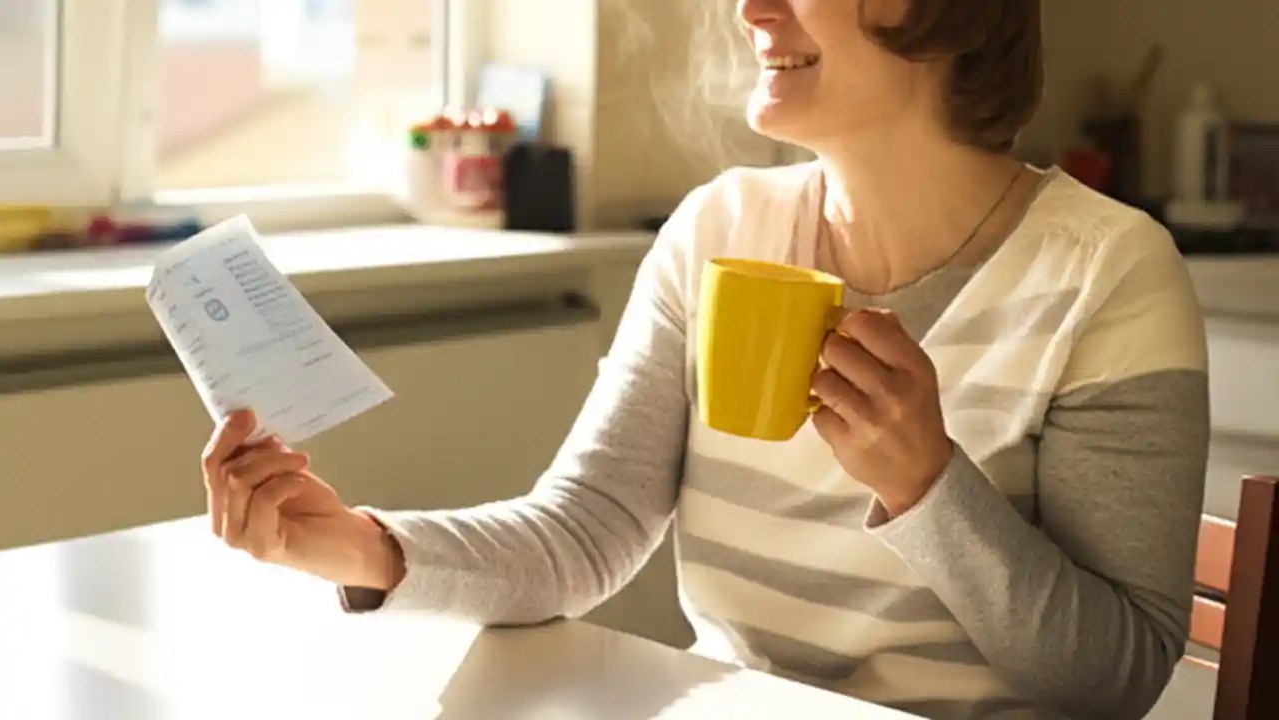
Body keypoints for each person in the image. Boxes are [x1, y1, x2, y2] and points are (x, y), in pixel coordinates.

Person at [199, 1, 1210, 717]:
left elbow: (1110, 680)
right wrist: (364, 548)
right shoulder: (719, 228)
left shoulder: (1106, 274)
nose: (750, 9)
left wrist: (925, 488)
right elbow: (581, 534)